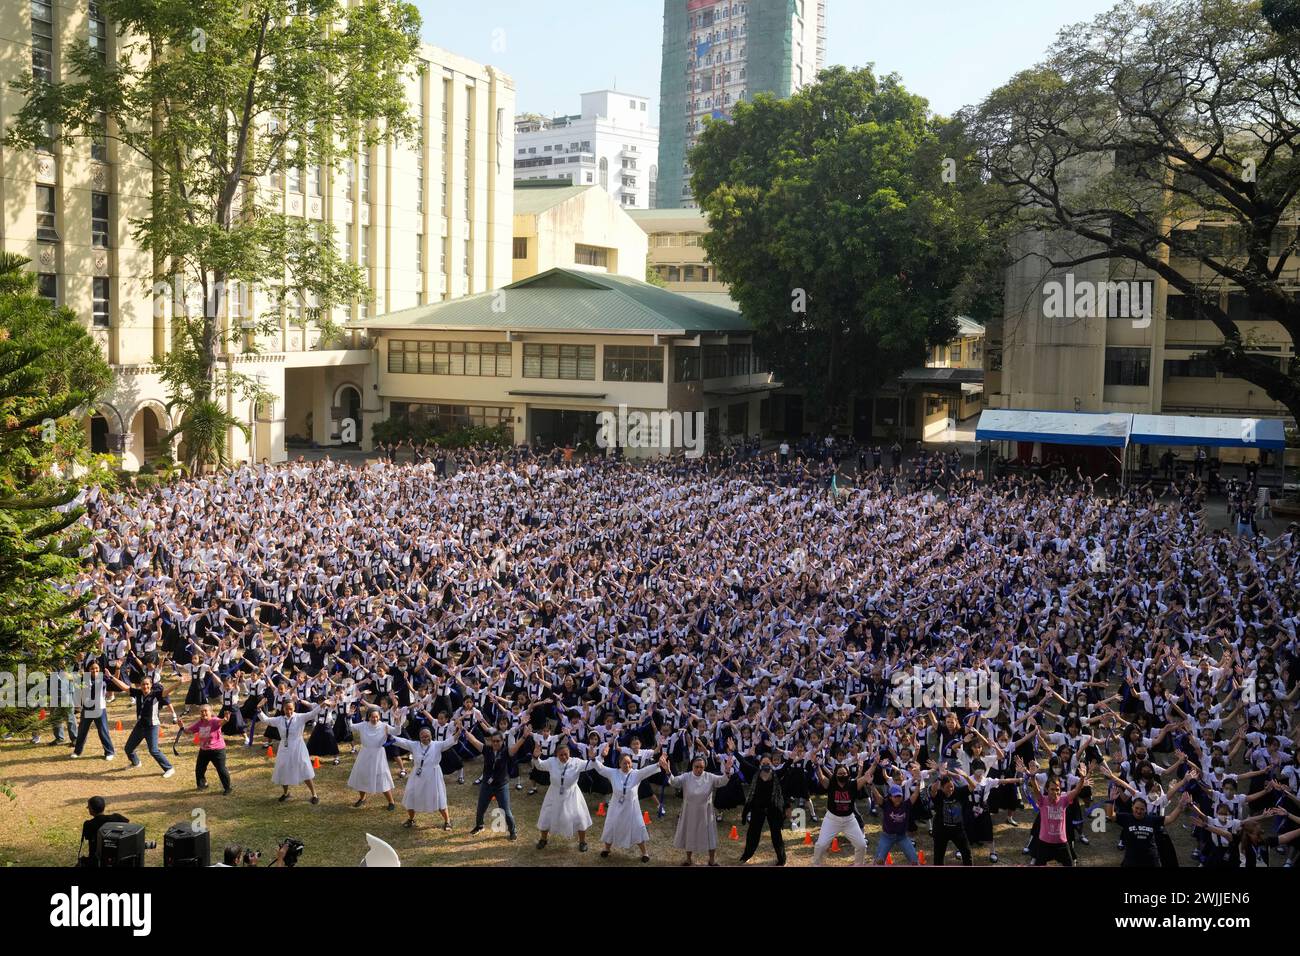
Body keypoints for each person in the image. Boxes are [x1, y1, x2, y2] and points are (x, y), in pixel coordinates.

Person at [594, 743, 663, 862]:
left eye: (629, 762)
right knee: (612, 825)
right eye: (624, 763)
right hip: (615, 806)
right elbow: (601, 768)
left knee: (637, 827)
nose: (627, 765)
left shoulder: (636, 773)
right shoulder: (613, 773)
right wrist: (594, 759)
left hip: (632, 807)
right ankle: (607, 848)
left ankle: (645, 853)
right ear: (619, 764)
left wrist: (659, 764)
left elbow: (647, 770)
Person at [668, 753, 735, 866]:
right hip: (689, 811)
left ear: (705, 767)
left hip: (706, 812)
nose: (699, 769)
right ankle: (688, 859)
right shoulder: (686, 776)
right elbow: (674, 782)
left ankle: (712, 860)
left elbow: (722, 781)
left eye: (701, 767)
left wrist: (727, 771)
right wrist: (668, 771)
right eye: (696, 767)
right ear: (692, 766)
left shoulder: (709, 777)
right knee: (689, 834)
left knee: (710, 836)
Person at [464, 725, 530, 840]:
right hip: (487, 785)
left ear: (502, 741)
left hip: (501, 786)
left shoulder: (506, 752)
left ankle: (513, 831)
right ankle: (479, 826)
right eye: (493, 741)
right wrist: (463, 730)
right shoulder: (486, 749)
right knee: (480, 808)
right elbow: (473, 740)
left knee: (506, 810)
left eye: (498, 741)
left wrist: (524, 736)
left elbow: (516, 746)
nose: (495, 743)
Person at [1020, 757, 1087, 866]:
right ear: (1047, 790)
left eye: (1057, 790)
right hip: (1044, 843)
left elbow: (1077, 790)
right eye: (1052, 789)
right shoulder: (1042, 800)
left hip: (1062, 843)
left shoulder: (1064, 799)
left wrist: (1082, 778)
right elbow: (1036, 789)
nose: (1055, 792)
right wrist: (1032, 776)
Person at [391, 721, 456, 830]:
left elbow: (450, 741)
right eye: (422, 737)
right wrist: (387, 734)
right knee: (411, 796)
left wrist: (459, 732)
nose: (425, 738)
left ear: (431, 736)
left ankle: (447, 821)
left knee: (439, 798)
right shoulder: (415, 745)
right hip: (417, 776)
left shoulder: (438, 745)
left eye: (427, 736)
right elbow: (402, 741)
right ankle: (411, 819)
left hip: (433, 775)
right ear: (419, 737)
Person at [533, 739, 595, 851]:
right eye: (561, 755)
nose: (563, 757)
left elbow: (590, 765)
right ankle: (543, 839)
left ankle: (582, 842)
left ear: (569, 754)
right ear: (556, 755)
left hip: (572, 794)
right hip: (554, 793)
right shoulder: (551, 761)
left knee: (580, 817)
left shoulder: (576, 762)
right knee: (547, 815)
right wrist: (535, 757)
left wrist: (595, 758)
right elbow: (539, 765)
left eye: (566, 754)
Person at [257, 698, 321, 804]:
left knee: (304, 768)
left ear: (294, 708)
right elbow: (266, 720)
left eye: (291, 709)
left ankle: (314, 794)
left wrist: (323, 705)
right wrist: (258, 709)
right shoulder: (279, 719)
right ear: (283, 709)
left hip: (298, 746)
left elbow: (312, 713)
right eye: (286, 709)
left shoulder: (300, 717)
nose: (289, 711)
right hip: (284, 747)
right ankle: (286, 793)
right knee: (283, 769)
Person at [812, 761, 871, 865]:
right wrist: (817, 766)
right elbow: (821, 777)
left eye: (844, 773)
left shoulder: (853, 784)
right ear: (835, 775)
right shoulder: (831, 783)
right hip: (832, 819)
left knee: (862, 845)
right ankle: (816, 865)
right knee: (820, 845)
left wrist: (874, 764)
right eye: (839, 774)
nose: (842, 775)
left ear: (848, 774)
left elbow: (866, 777)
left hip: (849, 820)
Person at [123, 675, 178, 777]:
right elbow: (125, 688)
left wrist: (179, 682)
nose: (145, 686)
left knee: (153, 750)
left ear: (151, 685)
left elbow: (167, 691)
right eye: (143, 684)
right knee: (128, 748)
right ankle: (136, 763)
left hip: (152, 726)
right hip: (140, 726)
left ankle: (169, 768)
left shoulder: (155, 695)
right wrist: (111, 678)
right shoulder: (138, 693)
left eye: (147, 684)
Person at [738, 753, 788, 866]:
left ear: (771, 764)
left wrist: (790, 758)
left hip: (773, 809)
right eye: (763, 763)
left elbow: (785, 767)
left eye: (768, 763)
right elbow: (743, 762)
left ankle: (781, 859)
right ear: (760, 764)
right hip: (757, 809)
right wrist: (734, 751)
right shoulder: (755, 773)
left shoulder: (776, 774)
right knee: (752, 834)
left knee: (776, 835)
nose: (766, 765)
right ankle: (747, 855)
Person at [348, 706, 398, 811]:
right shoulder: (363, 725)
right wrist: (349, 716)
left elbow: (396, 732)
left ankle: (391, 801)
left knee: (382, 777)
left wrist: (397, 721)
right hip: (365, 753)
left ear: (379, 717)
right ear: (368, 717)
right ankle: (362, 798)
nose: (374, 719)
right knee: (362, 775)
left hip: (378, 754)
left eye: (376, 717)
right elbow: (351, 727)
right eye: (372, 717)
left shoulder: (384, 726)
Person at [71, 662, 118, 761]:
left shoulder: (103, 678)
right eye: (92, 668)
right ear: (88, 669)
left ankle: (109, 752)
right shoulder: (84, 678)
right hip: (87, 708)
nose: (95, 670)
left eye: (97, 668)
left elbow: (114, 684)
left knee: (103, 731)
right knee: (82, 731)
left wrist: (117, 669)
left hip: (99, 708)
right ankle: (77, 751)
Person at [185, 704, 232, 794]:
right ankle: (202, 785)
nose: (203, 713)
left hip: (217, 750)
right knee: (199, 769)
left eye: (206, 711)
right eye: (201, 712)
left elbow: (222, 722)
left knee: (221, 769)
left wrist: (225, 719)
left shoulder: (214, 720)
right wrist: (182, 727)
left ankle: (227, 788)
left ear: (211, 712)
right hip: (204, 750)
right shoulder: (200, 723)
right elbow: (188, 731)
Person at [872, 783, 920, 865]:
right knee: (879, 861)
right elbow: (878, 796)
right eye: (895, 796)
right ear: (890, 797)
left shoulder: (906, 805)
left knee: (914, 861)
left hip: (902, 836)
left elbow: (915, 794)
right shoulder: (886, 804)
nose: (898, 798)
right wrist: (871, 785)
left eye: (899, 796)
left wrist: (918, 782)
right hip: (887, 836)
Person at [78, 796, 128, 867]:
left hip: (96, 860)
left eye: (88, 807)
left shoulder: (89, 824)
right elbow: (128, 826)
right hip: (116, 857)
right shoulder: (117, 818)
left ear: (91, 809)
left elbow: (88, 838)